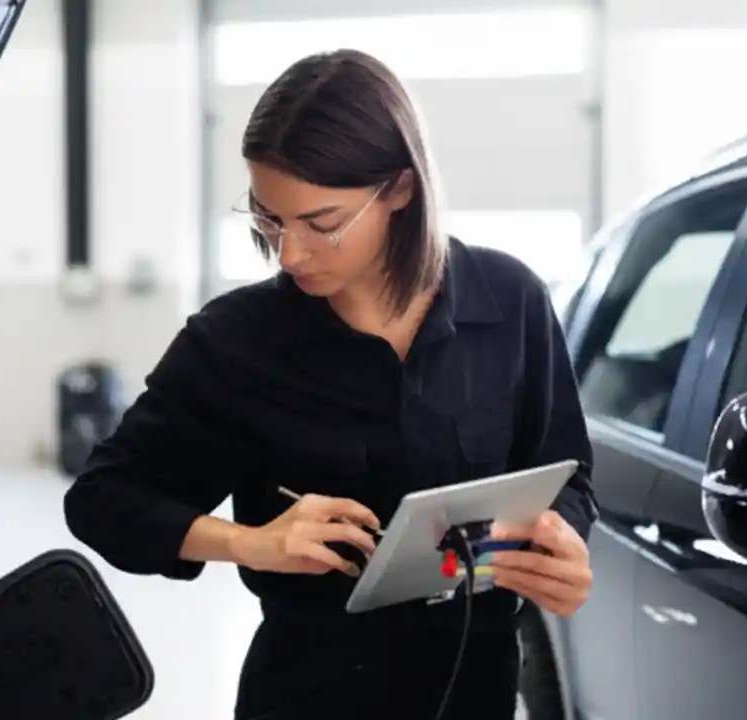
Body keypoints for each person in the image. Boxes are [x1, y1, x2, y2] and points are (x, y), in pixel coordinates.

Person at [65, 49, 597, 720]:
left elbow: (567, 476)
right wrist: (249, 542)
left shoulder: (509, 300)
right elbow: (102, 499)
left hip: (476, 688)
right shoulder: (236, 341)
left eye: (321, 223)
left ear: (402, 190)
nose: (289, 253)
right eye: (267, 218)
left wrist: (562, 546)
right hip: (310, 691)